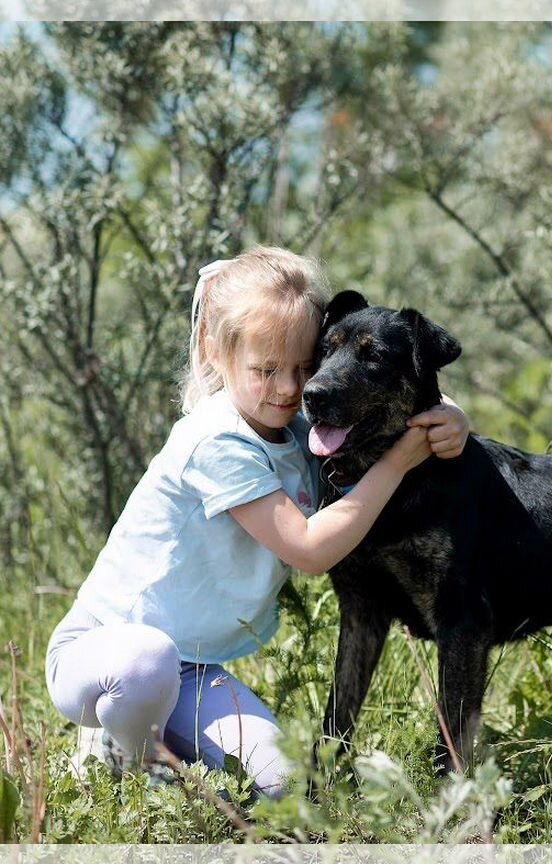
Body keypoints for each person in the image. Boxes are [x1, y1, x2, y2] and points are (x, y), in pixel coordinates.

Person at [45, 246, 470, 798]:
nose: (291, 390)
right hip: (103, 655)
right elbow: (311, 550)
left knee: (281, 787)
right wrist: (398, 461)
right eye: (267, 370)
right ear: (216, 354)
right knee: (145, 661)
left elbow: (403, 381)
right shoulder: (214, 440)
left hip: (192, 674)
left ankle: (159, 739)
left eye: (304, 368)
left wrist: (453, 415)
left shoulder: (293, 427)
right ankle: (120, 765)